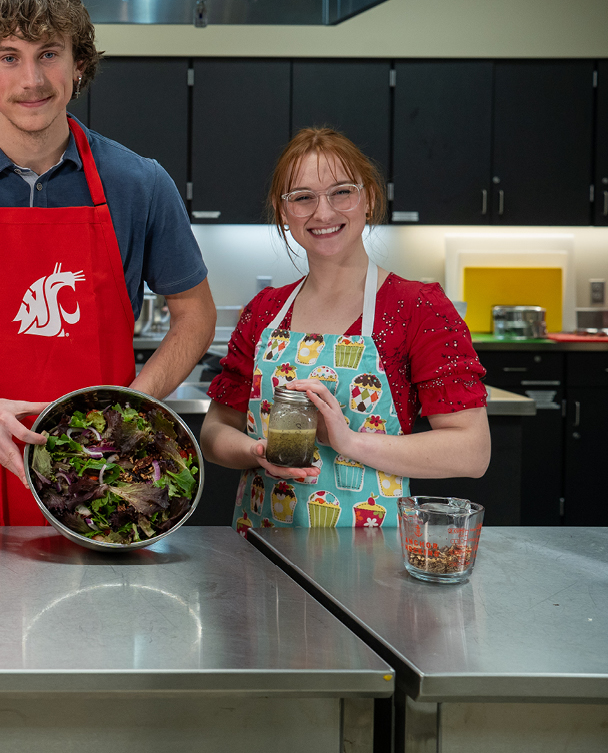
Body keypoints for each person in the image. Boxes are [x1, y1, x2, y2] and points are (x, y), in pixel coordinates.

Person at [0, 0, 217, 526]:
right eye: (9, 57)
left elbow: (196, 315)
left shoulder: (140, 183)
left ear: (78, 65)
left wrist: (133, 406)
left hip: (115, 472)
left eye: (49, 54)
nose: (32, 80)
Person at [201, 128, 490, 531]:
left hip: (370, 552)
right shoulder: (264, 311)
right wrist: (258, 452)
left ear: (368, 199)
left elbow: (471, 451)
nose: (323, 213)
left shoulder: (417, 308)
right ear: (283, 212)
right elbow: (215, 431)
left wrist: (349, 442)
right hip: (261, 545)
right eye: (303, 197)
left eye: (341, 192)